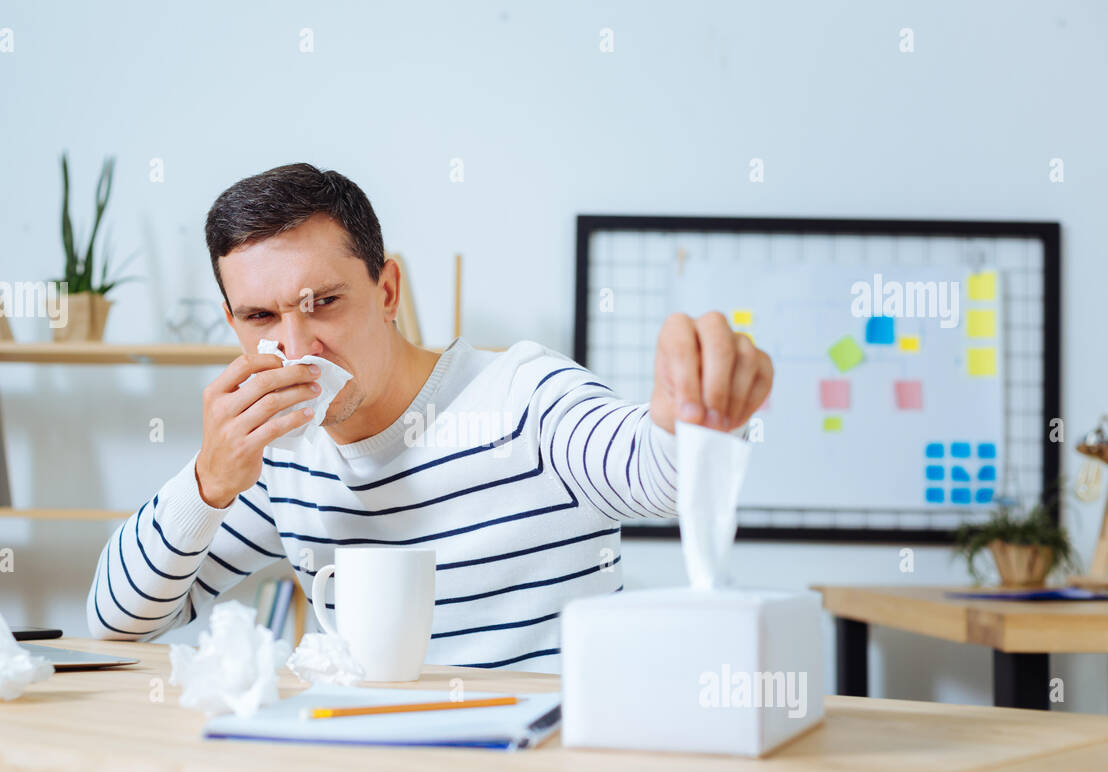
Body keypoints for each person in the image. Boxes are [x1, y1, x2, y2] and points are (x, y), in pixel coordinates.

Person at [86, 163, 772, 672]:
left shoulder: (523, 396)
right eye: (262, 317)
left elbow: (653, 473)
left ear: (386, 291)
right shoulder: (281, 458)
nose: (297, 347)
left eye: (323, 302)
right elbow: (116, 624)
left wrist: (698, 416)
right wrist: (207, 484)